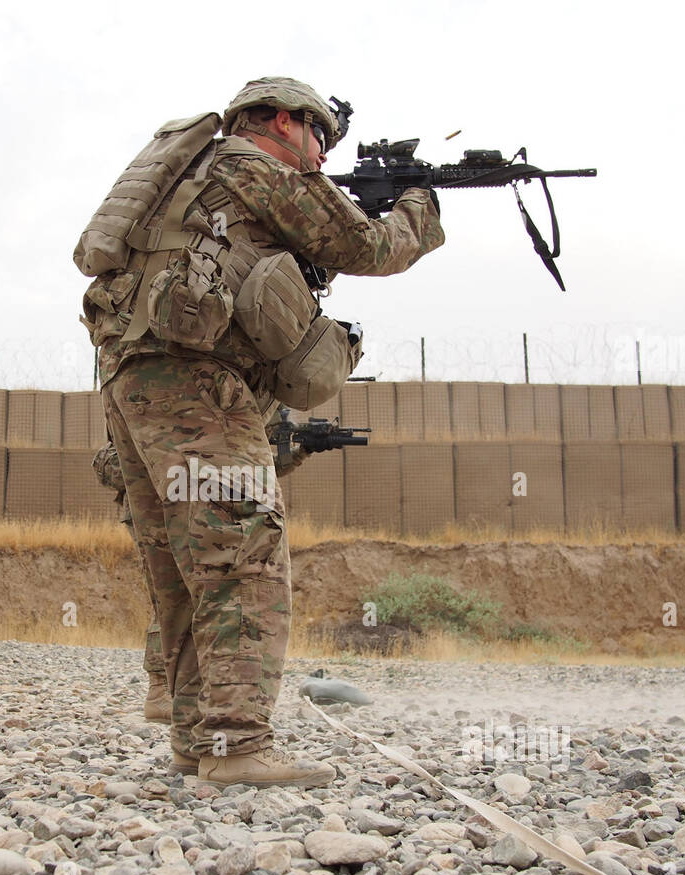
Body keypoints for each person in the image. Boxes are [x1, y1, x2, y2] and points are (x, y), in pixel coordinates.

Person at [78, 77, 444, 786]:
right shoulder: (255, 167)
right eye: (317, 139)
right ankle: (238, 745)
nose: (318, 157)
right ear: (282, 120)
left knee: (188, 565)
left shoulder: (195, 176)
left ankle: (201, 743)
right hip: (197, 381)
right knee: (244, 549)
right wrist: (419, 207)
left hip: (131, 375)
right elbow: (367, 244)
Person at [93, 411, 310, 727]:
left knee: (196, 597)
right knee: (177, 596)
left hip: (204, 503)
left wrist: (300, 452)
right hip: (163, 503)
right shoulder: (195, 407)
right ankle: (163, 692)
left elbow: (254, 468)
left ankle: (195, 698)